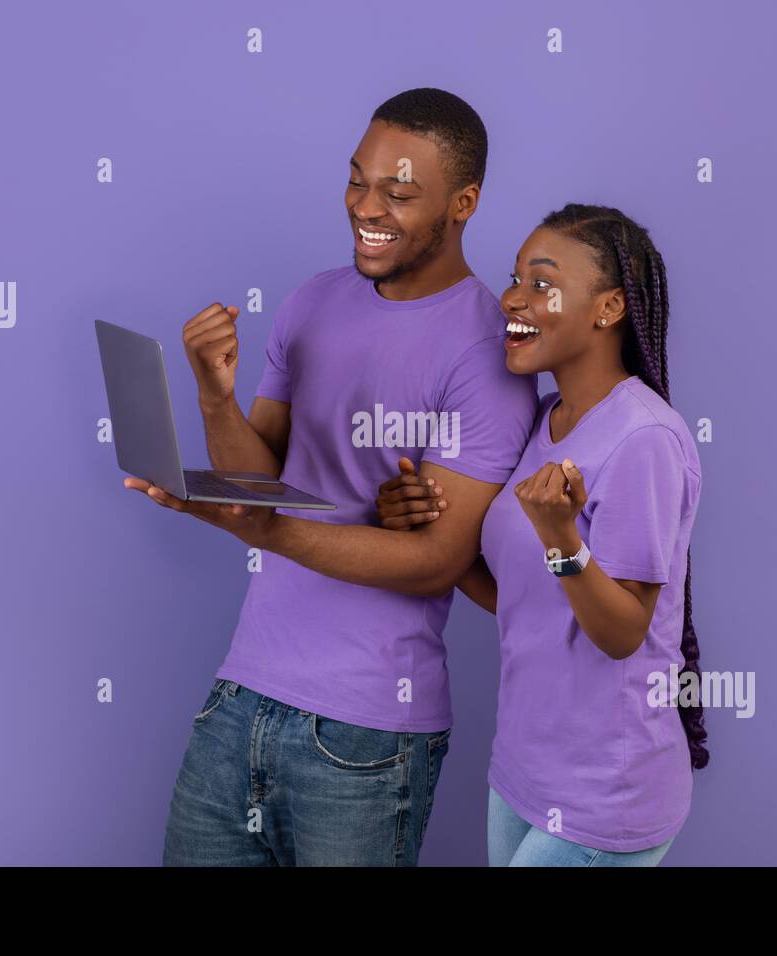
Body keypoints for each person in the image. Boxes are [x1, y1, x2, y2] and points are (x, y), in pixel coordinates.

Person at [124, 88, 539, 865]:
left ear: (464, 203)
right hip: (239, 696)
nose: (366, 206)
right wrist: (215, 396)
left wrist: (265, 529)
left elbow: (436, 562)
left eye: (399, 192)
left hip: (367, 735)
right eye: (357, 179)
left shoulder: (491, 353)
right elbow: (259, 484)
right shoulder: (312, 302)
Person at [373, 203, 708, 866]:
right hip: (525, 769)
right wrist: (427, 523)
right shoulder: (547, 419)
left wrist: (560, 535)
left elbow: (620, 634)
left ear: (608, 308)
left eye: (542, 283)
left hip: (604, 789)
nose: (513, 299)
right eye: (515, 278)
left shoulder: (643, 438)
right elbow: (524, 600)